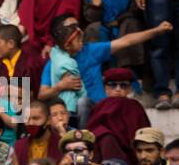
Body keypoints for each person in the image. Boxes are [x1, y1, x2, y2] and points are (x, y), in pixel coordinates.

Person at [39, 12, 170, 124]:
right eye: (72, 27)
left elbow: (126, 41)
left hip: (99, 109)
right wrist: (60, 86)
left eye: (78, 26)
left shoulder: (90, 50)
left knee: (84, 102)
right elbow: (42, 95)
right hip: (69, 115)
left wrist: (156, 30)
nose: (78, 29)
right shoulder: (54, 63)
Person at [12, 99, 61, 165]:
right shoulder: (19, 146)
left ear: (49, 120)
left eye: (36, 118)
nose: (31, 123)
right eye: (27, 119)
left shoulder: (60, 145)